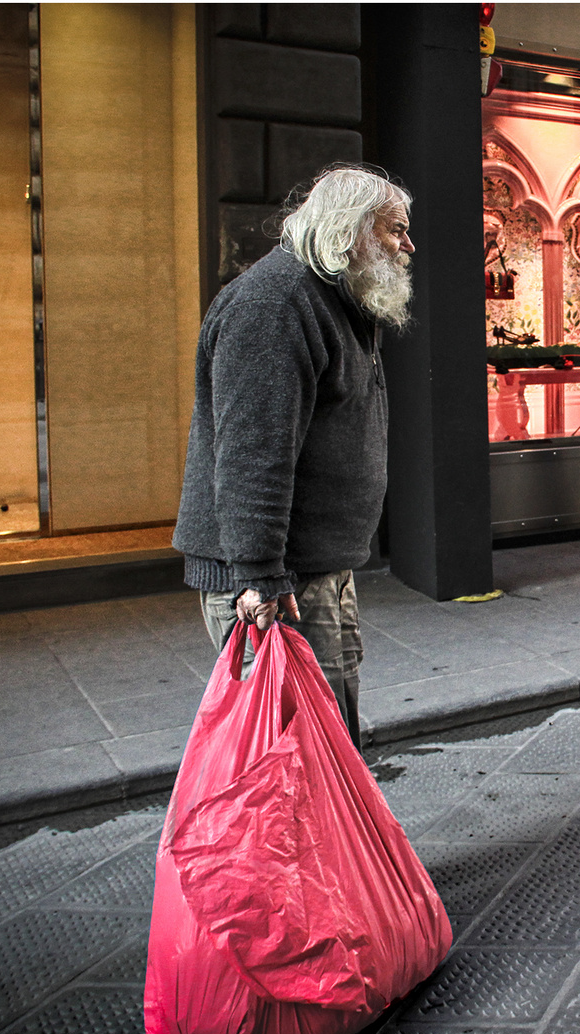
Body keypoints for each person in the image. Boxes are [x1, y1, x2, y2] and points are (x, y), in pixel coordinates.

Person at [172, 164, 415, 750]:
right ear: (350, 230)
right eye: (395, 230)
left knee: (327, 745)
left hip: (311, 570)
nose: (408, 246)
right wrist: (258, 575)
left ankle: (342, 846)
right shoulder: (276, 304)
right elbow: (254, 455)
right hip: (274, 582)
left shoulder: (336, 300)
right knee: (301, 755)